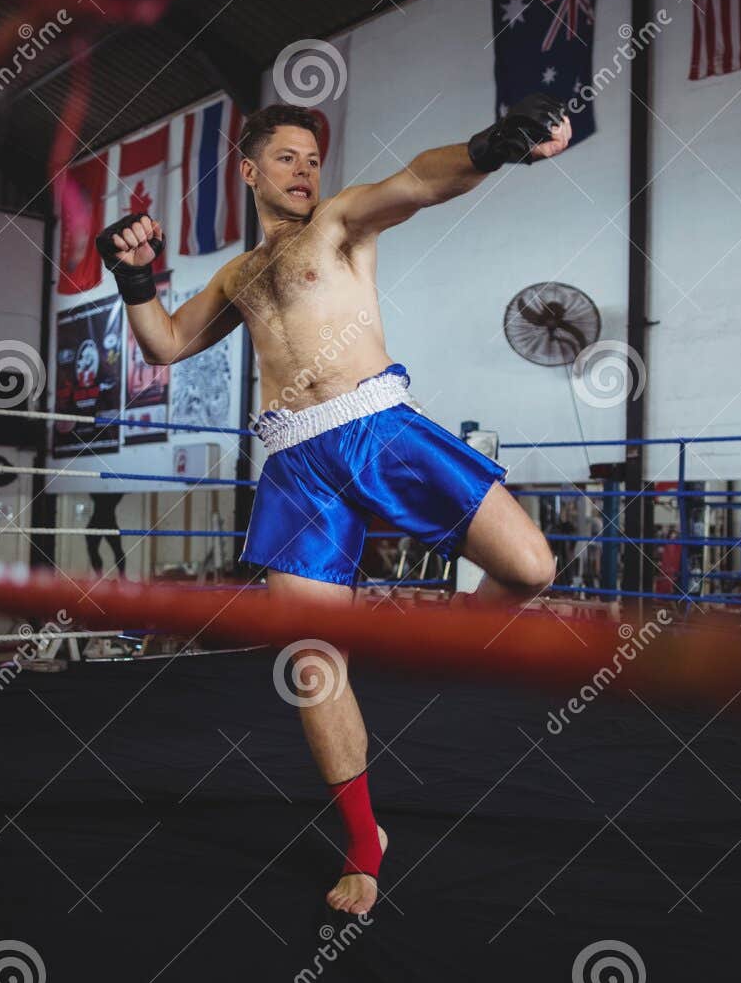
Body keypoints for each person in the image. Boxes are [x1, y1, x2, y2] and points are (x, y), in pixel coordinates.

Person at [97, 96, 569, 914]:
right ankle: (363, 843)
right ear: (249, 171)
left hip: (377, 427)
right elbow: (165, 344)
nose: (305, 170)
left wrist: (492, 146)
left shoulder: (342, 223)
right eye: (286, 157)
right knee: (314, 665)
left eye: (312, 158)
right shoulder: (237, 275)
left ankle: (448, 645)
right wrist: (132, 276)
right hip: (294, 462)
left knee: (532, 566)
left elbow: (419, 182)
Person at [85, 490, 127, 577]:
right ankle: (100, 576)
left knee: (117, 551)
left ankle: (121, 577)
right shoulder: (106, 492)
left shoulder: (115, 492)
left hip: (105, 522)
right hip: (102, 522)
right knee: (93, 550)